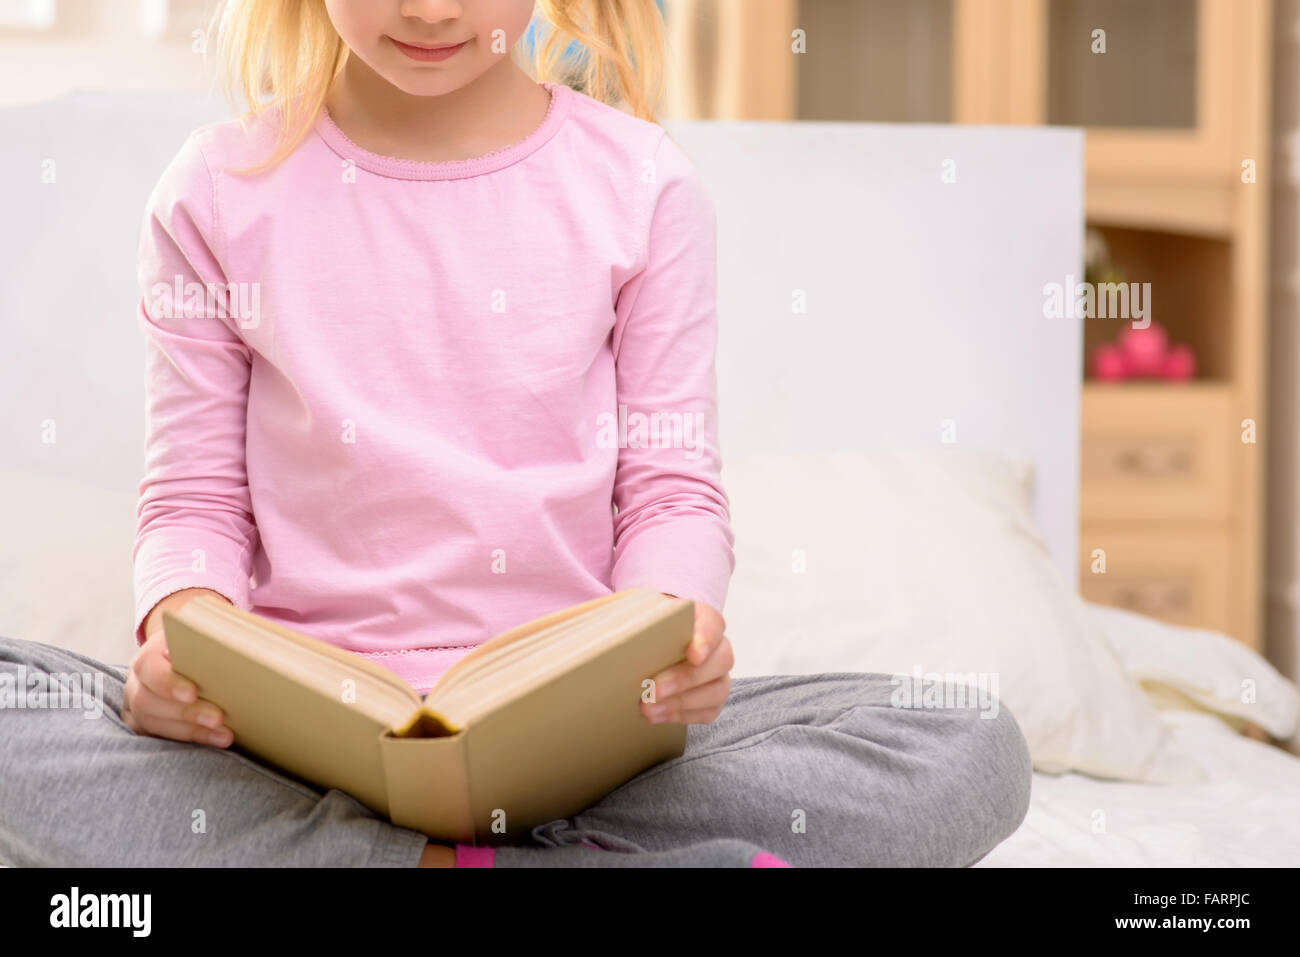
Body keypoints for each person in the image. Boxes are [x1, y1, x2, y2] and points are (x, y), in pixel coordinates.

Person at [0, 0, 1031, 867]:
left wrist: (676, 627)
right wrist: (182, 634)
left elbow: (672, 492)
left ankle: (370, 858)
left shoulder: (642, 185)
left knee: (966, 737)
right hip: (289, 737)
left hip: (579, 746)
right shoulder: (216, 188)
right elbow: (193, 500)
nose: (432, 7)